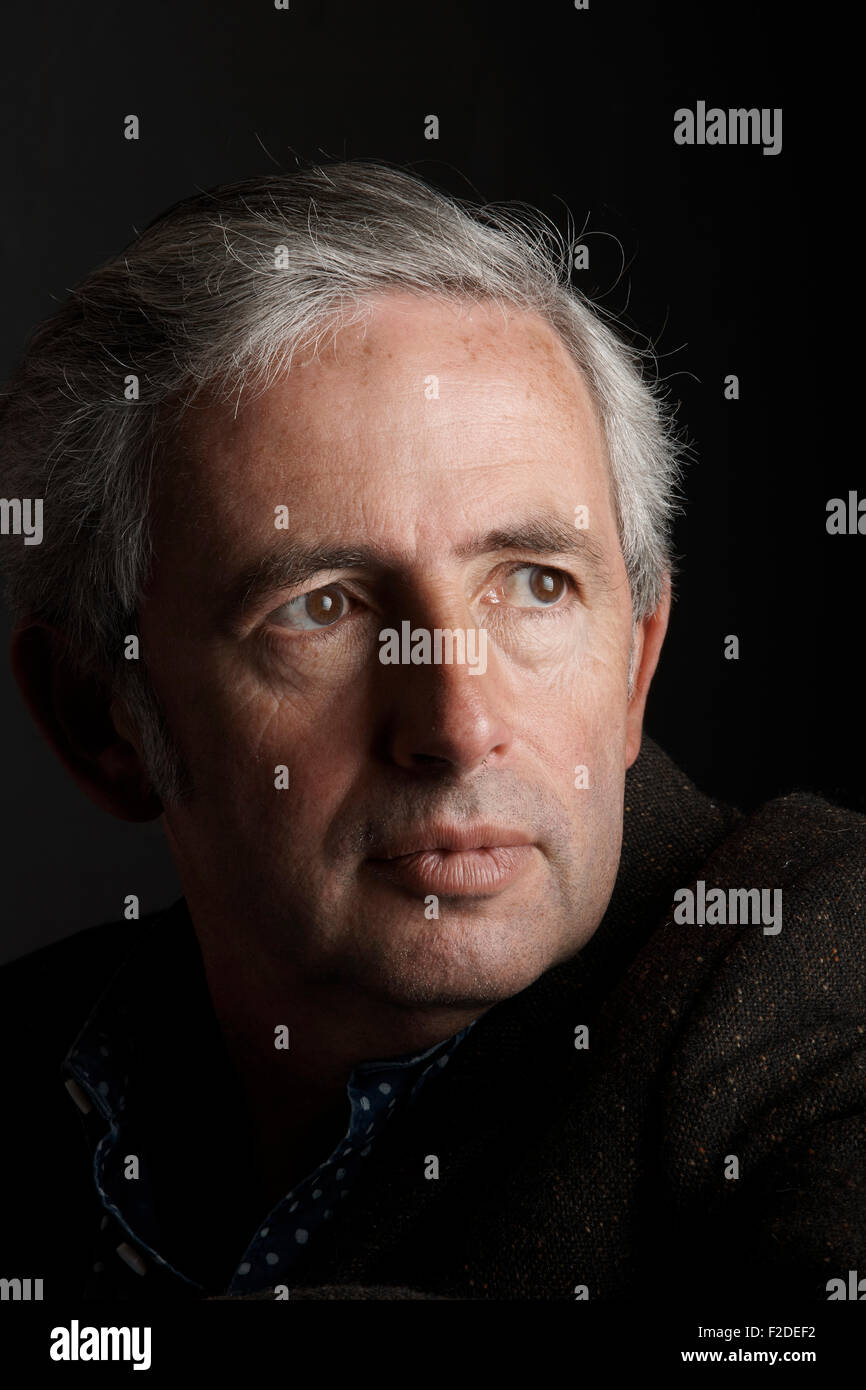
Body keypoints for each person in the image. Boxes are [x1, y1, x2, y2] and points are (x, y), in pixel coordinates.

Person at [0, 163, 862, 1302]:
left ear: (635, 668)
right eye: (322, 608)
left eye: (535, 584)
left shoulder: (817, 961)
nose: (458, 726)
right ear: (102, 717)